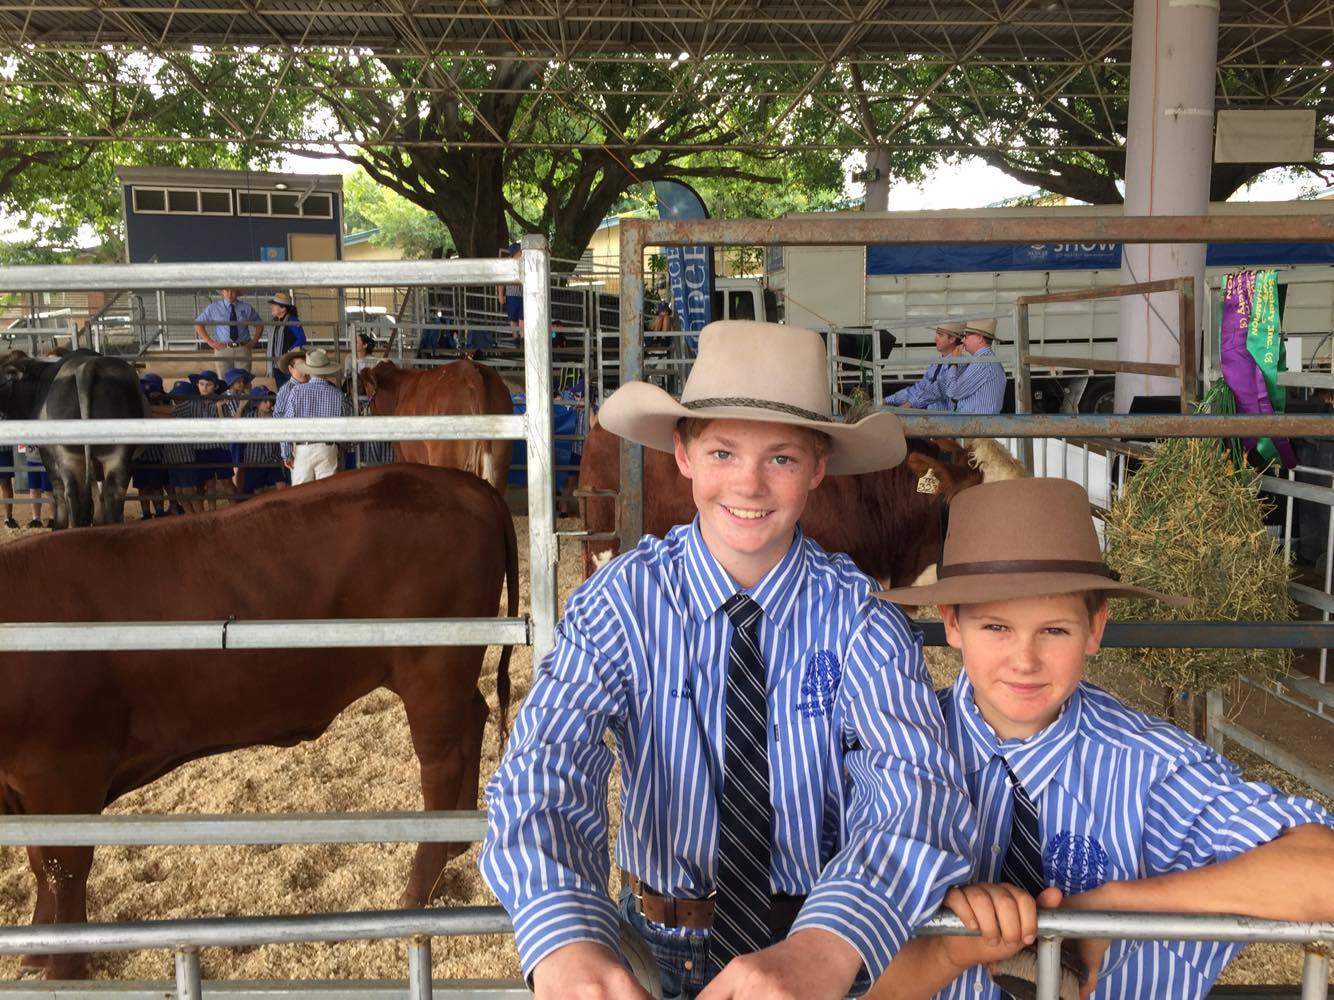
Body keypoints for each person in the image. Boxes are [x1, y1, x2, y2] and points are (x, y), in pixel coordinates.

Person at [480, 320, 976, 1000]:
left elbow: (917, 790)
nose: (748, 484)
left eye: (781, 459)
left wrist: (828, 944)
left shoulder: (861, 616)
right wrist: (564, 936)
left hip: (817, 946)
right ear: (682, 456)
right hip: (650, 949)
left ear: (817, 470)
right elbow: (545, 765)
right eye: (721, 453)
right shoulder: (621, 600)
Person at [867, 478, 1334, 1000]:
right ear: (952, 624)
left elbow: (1324, 870)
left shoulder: (1154, 766)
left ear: (1095, 628)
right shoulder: (889, 753)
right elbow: (838, 969)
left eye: (1054, 630)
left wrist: (1116, 905)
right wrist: (946, 947)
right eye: (996, 628)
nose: (1024, 660)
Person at [278, 348, 352, 486]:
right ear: (326, 371)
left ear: (308, 370)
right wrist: (341, 449)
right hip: (327, 448)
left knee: (301, 495)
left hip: (302, 448)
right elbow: (346, 424)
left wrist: (286, 454)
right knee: (326, 493)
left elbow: (287, 425)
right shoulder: (337, 395)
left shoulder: (296, 392)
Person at [175, 371, 236, 509]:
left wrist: (219, 408)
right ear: (197, 385)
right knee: (207, 484)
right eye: (201, 384)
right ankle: (210, 511)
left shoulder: (223, 403)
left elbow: (227, 426)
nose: (204, 387)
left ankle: (235, 510)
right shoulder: (191, 404)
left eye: (208, 384)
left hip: (220, 448)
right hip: (201, 449)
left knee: (227, 481)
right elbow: (174, 412)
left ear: (215, 387)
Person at [884, 321, 965, 411]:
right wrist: (887, 400)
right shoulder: (937, 363)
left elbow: (937, 391)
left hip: (945, 420)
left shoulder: (959, 364)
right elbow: (919, 388)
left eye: (940, 335)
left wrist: (909, 404)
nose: (935, 339)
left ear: (952, 339)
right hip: (929, 415)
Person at [938, 319, 1006, 415]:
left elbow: (953, 392)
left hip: (977, 426)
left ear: (980, 338)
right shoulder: (986, 360)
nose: (963, 340)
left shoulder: (982, 363)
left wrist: (953, 363)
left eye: (967, 336)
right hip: (979, 424)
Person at [195, 288, 263, 373]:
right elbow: (198, 324)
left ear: (237, 293)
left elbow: (259, 324)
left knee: (244, 379)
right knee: (223, 381)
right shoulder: (213, 307)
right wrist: (210, 342)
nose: (230, 294)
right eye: (226, 290)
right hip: (222, 349)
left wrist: (254, 341)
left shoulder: (246, 308)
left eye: (233, 291)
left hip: (242, 348)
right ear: (222, 292)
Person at [238, 385, 285, 494]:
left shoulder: (276, 417)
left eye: (270, 401)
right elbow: (236, 428)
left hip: (273, 460)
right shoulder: (249, 417)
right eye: (265, 401)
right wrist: (240, 408)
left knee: (282, 488)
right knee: (258, 492)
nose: (269, 404)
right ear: (257, 403)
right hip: (254, 462)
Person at [164, 381, 202, 515]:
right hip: (173, 456)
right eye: (175, 396)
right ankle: (192, 517)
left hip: (185, 456)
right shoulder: (181, 407)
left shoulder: (189, 406)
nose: (175, 399)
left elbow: (169, 412)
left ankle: (200, 516)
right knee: (179, 491)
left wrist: (147, 407)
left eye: (179, 396)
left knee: (188, 490)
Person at [265, 291, 307, 388]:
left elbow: (301, 339)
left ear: (283, 308)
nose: (272, 307)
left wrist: (288, 352)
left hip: (288, 363)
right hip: (276, 363)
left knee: (291, 387)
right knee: (281, 389)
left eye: (275, 305)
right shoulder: (275, 321)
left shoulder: (292, 321)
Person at [496, 242, 524, 339]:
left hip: (524, 295)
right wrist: (500, 294)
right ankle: (516, 340)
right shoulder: (507, 264)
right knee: (513, 320)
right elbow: (501, 280)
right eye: (520, 251)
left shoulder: (524, 262)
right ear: (515, 253)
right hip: (512, 295)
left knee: (522, 319)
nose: (522, 253)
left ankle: (523, 340)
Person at [274, 349, 309, 418]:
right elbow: (279, 415)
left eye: (306, 367)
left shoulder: (309, 385)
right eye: (300, 368)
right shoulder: (286, 389)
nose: (304, 372)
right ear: (290, 369)